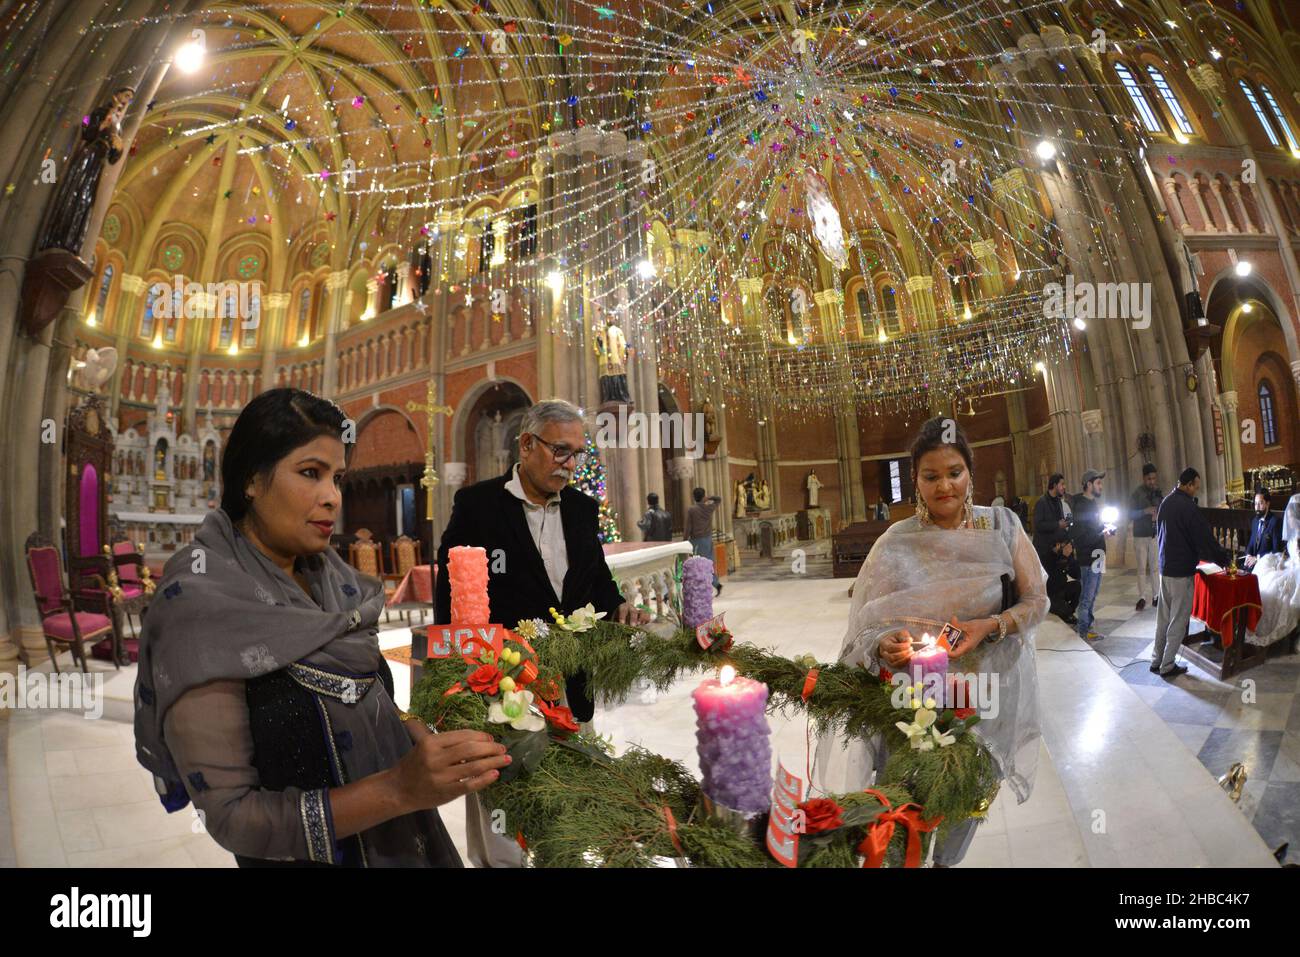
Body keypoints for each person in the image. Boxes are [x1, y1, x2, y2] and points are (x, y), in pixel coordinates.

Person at [134, 389, 509, 867]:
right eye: (310, 473)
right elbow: (233, 817)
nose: (332, 496)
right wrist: (398, 788)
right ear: (251, 478)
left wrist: (419, 739)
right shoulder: (200, 605)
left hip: (404, 843)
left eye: (337, 477)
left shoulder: (336, 584)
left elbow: (364, 696)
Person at [814, 417, 1046, 868]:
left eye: (954, 472)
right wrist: (885, 643)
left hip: (982, 697)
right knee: (905, 809)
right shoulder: (896, 541)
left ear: (971, 474)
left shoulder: (1001, 526)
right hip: (908, 703)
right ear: (915, 481)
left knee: (962, 798)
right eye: (931, 476)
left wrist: (990, 626)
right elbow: (863, 626)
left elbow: (1037, 600)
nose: (945, 486)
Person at [434, 398, 648, 867]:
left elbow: (595, 578)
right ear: (527, 444)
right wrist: (454, 678)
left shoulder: (582, 509)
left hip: (571, 680)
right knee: (504, 805)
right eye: (560, 451)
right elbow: (451, 594)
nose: (570, 464)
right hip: (505, 683)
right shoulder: (478, 506)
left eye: (578, 454)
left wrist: (619, 607)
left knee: (569, 792)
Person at [1153, 467, 1230, 679]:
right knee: (1178, 620)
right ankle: (1167, 665)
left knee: (1163, 618)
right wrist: (1222, 558)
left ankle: (1156, 660)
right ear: (1187, 485)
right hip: (1180, 573)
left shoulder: (1166, 502)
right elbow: (1204, 538)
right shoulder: (1187, 507)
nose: (1196, 490)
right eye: (1195, 486)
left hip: (1165, 569)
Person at [1069, 469, 1114, 642]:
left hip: (1098, 554)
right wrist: (1100, 534)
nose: (1100, 486)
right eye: (1098, 483)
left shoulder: (1092, 503)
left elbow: (1094, 528)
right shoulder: (1081, 506)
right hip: (1089, 557)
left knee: (1093, 593)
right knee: (1086, 596)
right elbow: (1080, 536)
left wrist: (1105, 529)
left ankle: (1088, 626)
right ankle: (1083, 631)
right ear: (1089, 485)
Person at [1129, 464, 1163, 611]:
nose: (1152, 481)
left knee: (1155, 567)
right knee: (1142, 568)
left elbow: (1162, 509)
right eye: (1149, 479)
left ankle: (1156, 596)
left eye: (1154, 478)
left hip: (1154, 534)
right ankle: (1142, 597)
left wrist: (1158, 513)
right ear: (1144, 478)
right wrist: (1145, 511)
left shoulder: (1158, 492)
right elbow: (1130, 514)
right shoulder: (1136, 494)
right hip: (1140, 535)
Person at [686, 486, 723, 595]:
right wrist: (708, 498)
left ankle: (703, 588)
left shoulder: (692, 510)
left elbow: (688, 527)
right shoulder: (709, 508)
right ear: (703, 496)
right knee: (708, 564)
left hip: (696, 540)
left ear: (694, 497)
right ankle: (716, 583)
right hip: (707, 539)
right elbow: (718, 499)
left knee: (697, 565)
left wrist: (684, 540)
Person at [1031, 473, 1070, 569]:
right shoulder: (1041, 502)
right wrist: (1057, 524)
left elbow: (1059, 522)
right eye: (1062, 484)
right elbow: (1038, 525)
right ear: (1054, 485)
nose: (1064, 487)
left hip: (1056, 549)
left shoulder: (1058, 502)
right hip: (1044, 550)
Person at [1243, 489, 1283, 567]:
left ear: (1267, 504)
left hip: (1267, 565)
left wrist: (1257, 558)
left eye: (1260, 503)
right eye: (1255, 504)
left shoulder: (1275, 522)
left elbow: (1276, 551)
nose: (1257, 507)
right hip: (1253, 564)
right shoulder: (1255, 521)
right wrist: (1248, 555)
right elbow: (1251, 543)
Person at [1045, 540, 1081, 625]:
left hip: (1062, 590)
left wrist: (1069, 558)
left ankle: (1068, 612)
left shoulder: (1064, 555)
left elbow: (1076, 575)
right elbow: (1052, 579)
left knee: (1077, 585)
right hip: (1050, 594)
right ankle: (1065, 612)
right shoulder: (1047, 556)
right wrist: (1063, 557)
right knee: (1064, 610)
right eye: (1063, 545)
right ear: (1057, 545)